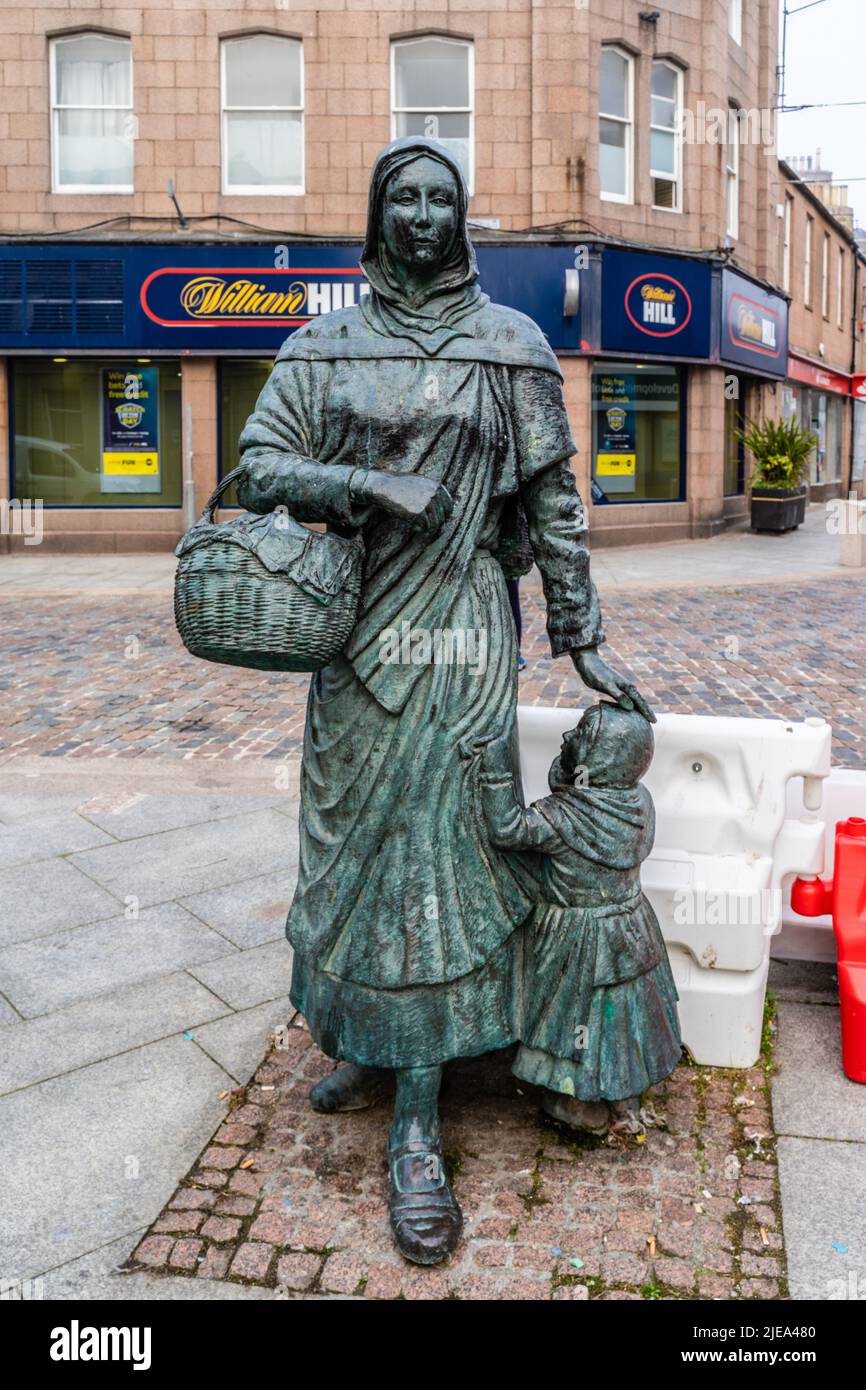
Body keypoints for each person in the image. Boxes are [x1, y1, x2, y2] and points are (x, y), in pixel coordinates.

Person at [235, 137, 654, 1266]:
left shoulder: (508, 344)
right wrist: (361, 484)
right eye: (401, 197)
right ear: (375, 217)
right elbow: (254, 467)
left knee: (439, 854)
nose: (422, 213)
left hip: (463, 633)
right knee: (353, 850)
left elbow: (555, 504)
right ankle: (367, 1042)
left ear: (461, 218)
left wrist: (582, 637)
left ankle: (418, 1118)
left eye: (440, 197)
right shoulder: (326, 341)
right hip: (355, 635)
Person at [479, 703, 681, 1135]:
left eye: (582, 735)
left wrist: (495, 765)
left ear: (601, 759)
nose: (567, 737)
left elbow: (507, 829)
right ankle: (625, 1095)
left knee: (573, 1017)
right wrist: (573, 772)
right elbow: (582, 788)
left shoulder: (563, 817)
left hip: (576, 935)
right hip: (630, 926)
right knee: (624, 1012)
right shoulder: (637, 802)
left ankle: (571, 1097)